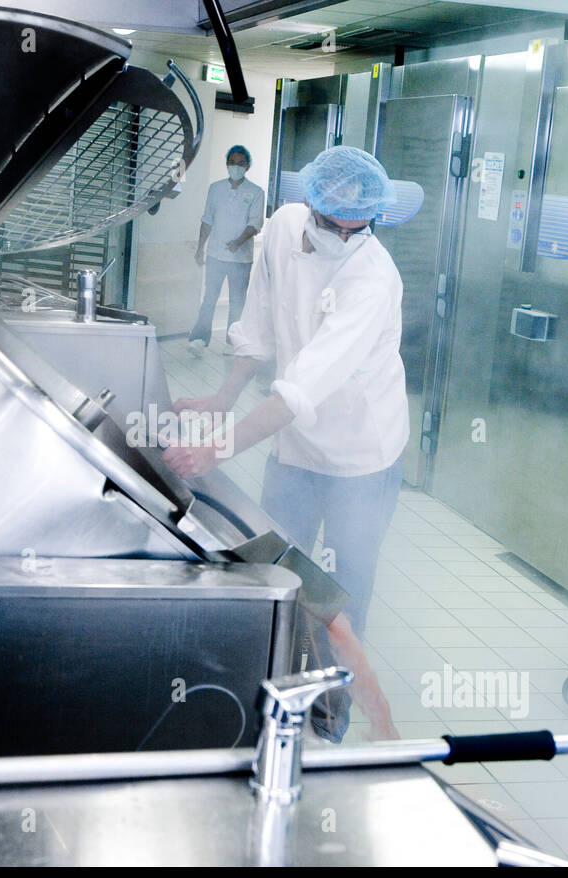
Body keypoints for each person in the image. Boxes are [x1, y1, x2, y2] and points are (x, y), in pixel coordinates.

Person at [163, 146, 406, 742]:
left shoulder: (372, 279)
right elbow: (261, 324)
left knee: (340, 599)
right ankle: (265, 706)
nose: (344, 239)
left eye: (359, 229)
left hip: (360, 457)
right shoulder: (280, 230)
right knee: (270, 573)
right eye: (332, 225)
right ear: (310, 205)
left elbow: (305, 385)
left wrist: (219, 447)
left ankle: (327, 728)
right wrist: (224, 396)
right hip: (296, 448)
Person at [187, 146, 265, 355]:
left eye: (240, 163)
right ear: (227, 164)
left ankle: (233, 342)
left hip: (241, 258)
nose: (235, 167)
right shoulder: (216, 188)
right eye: (232, 162)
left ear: (247, 166)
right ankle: (199, 340)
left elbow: (255, 224)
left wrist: (238, 242)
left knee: (237, 302)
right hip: (215, 255)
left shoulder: (256, 192)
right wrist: (200, 248)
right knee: (209, 298)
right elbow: (207, 220)